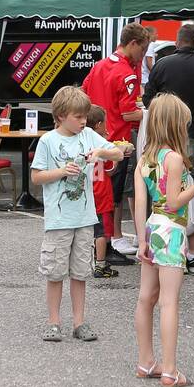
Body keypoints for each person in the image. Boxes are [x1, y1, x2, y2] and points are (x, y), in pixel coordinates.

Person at [30, 86, 124, 342]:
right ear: (60, 116)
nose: (83, 121)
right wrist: (61, 171)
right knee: (55, 272)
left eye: (84, 116)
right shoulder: (48, 141)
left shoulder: (90, 135)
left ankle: (80, 322)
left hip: (84, 218)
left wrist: (102, 152)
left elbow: (119, 152)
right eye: (77, 116)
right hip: (59, 220)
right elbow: (36, 177)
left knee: (81, 272)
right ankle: (53, 321)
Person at [133, 93, 194, 387]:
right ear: (175, 125)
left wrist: (141, 239)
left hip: (152, 229)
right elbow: (173, 202)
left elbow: (141, 202)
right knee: (169, 302)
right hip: (172, 230)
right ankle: (169, 369)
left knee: (146, 298)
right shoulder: (175, 159)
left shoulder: (145, 159)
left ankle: (145, 361)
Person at [143, 22, 194, 274]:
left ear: (177, 41)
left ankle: (160, 246)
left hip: (165, 140)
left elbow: (148, 101)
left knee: (161, 189)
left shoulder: (161, 66)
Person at [82, 22, 149, 255]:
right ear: (133, 43)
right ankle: (110, 241)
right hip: (117, 142)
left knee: (102, 192)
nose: (143, 55)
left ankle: (108, 240)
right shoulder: (126, 73)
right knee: (112, 194)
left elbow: (84, 94)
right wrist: (153, 114)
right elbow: (128, 112)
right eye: (142, 49)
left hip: (94, 138)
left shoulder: (99, 65)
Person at [86, 104, 132, 277]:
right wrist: (120, 155)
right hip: (101, 190)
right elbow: (110, 170)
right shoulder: (103, 145)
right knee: (101, 231)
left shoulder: (84, 142)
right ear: (98, 124)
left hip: (88, 190)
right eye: (105, 122)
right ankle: (100, 263)